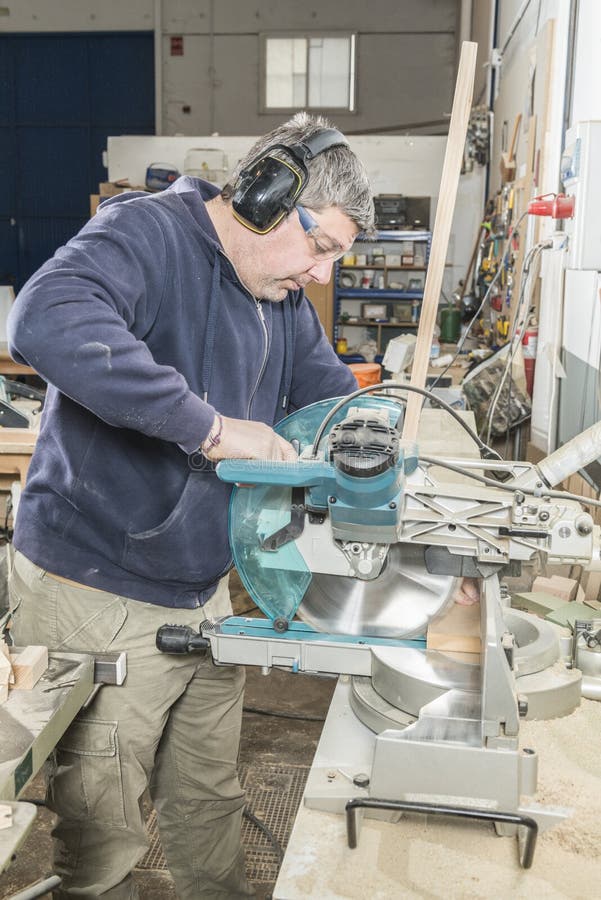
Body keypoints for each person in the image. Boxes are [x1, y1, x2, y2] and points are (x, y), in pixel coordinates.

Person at [6, 112, 374, 898]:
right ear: (267, 198)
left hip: (206, 587)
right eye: (320, 247)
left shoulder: (274, 296)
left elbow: (331, 397)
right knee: (104, 818)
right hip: (98, 585)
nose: (318, 272)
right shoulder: (143, 237)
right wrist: (208, 429)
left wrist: (375, 447)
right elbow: (45, 321)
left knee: (209, 795)